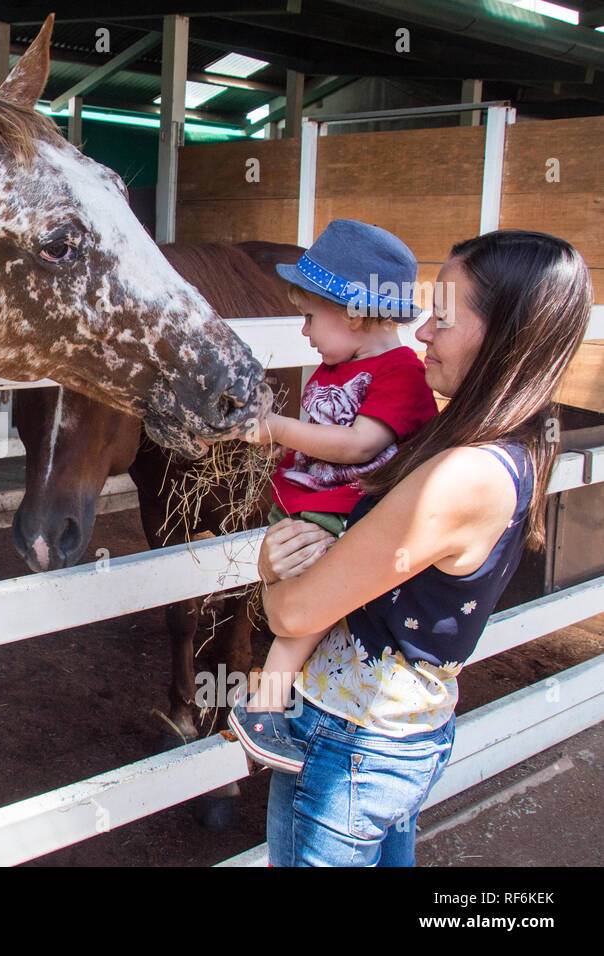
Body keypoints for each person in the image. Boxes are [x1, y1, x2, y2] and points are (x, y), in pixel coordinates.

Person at [251, 229, 591, 866]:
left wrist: (274, 571)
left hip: (349, 743)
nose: (422, 332)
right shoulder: (493, 447)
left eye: (443, 316)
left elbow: (294, 615)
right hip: (394, 735)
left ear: (503, 335)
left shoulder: (459, 475)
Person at [228, 220, 440, 773]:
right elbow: (325, 443)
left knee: (310, 612)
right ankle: (270, 703)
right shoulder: (338, 365)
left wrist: (274, 428)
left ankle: (265, 703)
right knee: (298, 606)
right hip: (310, 506)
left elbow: (358, 444)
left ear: (351, 313)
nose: (302, 331)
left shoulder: (399, 372)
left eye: (308, 316)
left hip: (345, 515)